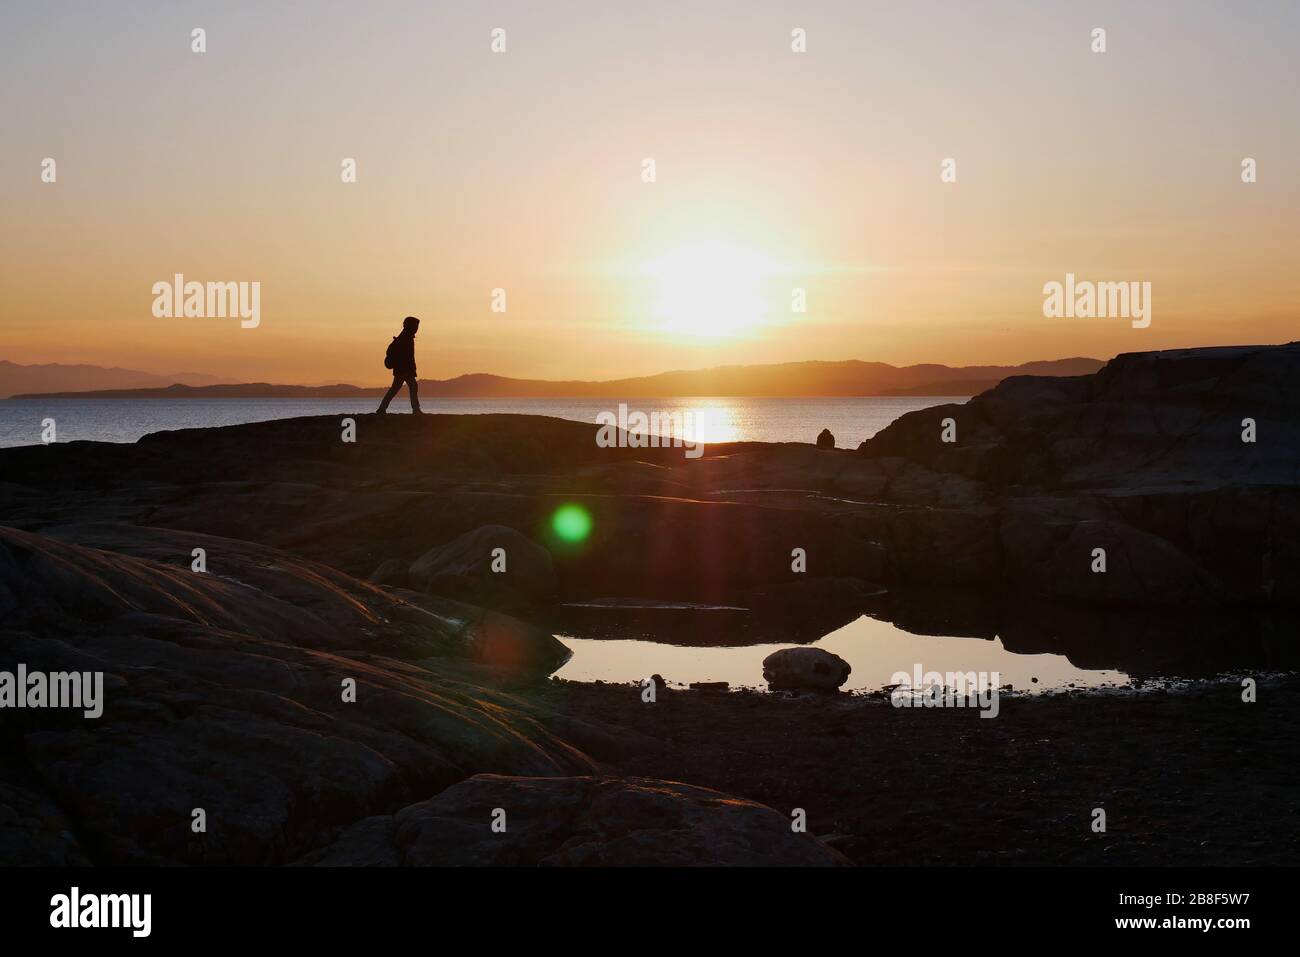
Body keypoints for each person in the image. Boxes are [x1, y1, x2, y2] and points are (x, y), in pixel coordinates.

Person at [377, 316, 422, 413]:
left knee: (395, 389)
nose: (416, 329)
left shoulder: (406, 338)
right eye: (415, 326)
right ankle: (416, 409)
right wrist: (408, 370)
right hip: (404, 370)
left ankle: (382, 408)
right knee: (412, 386)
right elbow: (406, 357)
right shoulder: (405, 339)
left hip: (403, 369)